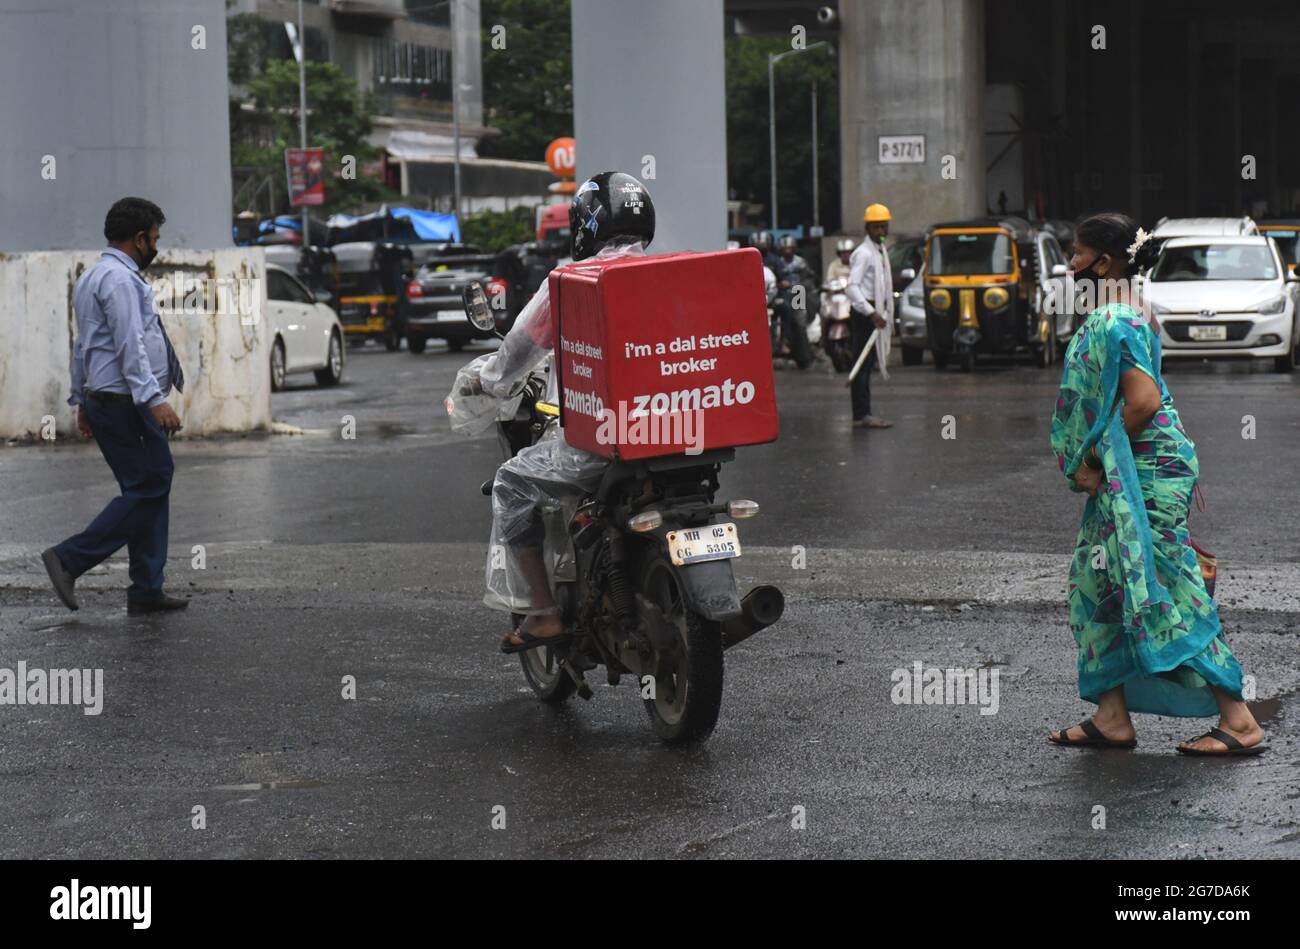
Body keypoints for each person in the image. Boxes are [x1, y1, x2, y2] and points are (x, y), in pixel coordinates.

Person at [1048, 212, 1265, 756]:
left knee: (1164, 586)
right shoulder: (1126, 312)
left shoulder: (1115, 319)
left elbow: (1142, 403)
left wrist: (1098, 456)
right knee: (1096, 582)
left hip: (1142, 472)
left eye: (1076, 255)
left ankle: (1239, 721)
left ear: (1104, 262)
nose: (1069, 266)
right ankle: (1112, 715)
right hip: (1130, 471)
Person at [447, 172, 655, 654]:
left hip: (605, 442)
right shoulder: (665, 272)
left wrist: (489, 380)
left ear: (586, 226)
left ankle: (541, 614)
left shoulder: (569, 282)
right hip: (680, 431)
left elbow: (519, 349)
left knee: (511, 482)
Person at [42, 197, 189, 615]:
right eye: (154, 239)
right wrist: (154, 399)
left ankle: (146, 588)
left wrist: (80, 396)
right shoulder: (122, 282)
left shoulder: (92, 277)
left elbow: (84, 345)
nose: (156, 247)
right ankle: (69, 559)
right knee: (154, 479)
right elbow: (130, 345)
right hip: (126, 401)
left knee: (144, 488)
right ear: (139, 238)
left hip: (104, 397)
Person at [844, 203, 894, 429]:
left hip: (875, 312)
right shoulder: (863, 254)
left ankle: (863, 413)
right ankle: (861, 414)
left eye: (884, 227)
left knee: (867, 364)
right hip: (865, 314)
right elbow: (852, 288)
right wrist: (872, 312)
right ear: (868, 228)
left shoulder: (879, 251)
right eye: (877, 227)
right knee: (862, 364)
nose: (882, 232)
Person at [755, 232, 812, 369]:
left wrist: (789, 284)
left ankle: (792, 345)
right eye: (784, 248)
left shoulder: (795, 262)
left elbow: (803, 280)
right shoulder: (755, 259)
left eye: (790, 248)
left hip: (792, 293)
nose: (787, 251)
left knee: (797, 318)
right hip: (766, 295)